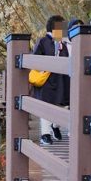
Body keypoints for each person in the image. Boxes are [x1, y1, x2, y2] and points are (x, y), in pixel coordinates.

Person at [32, 15, 69, 145]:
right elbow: (35, 59)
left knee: (64, 105)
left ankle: (55, 126)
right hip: (46, 79)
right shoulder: (42, 41)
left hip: (62, 80)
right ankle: (45, 134)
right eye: (62, 27)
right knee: (46, 106)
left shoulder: (64, 44)